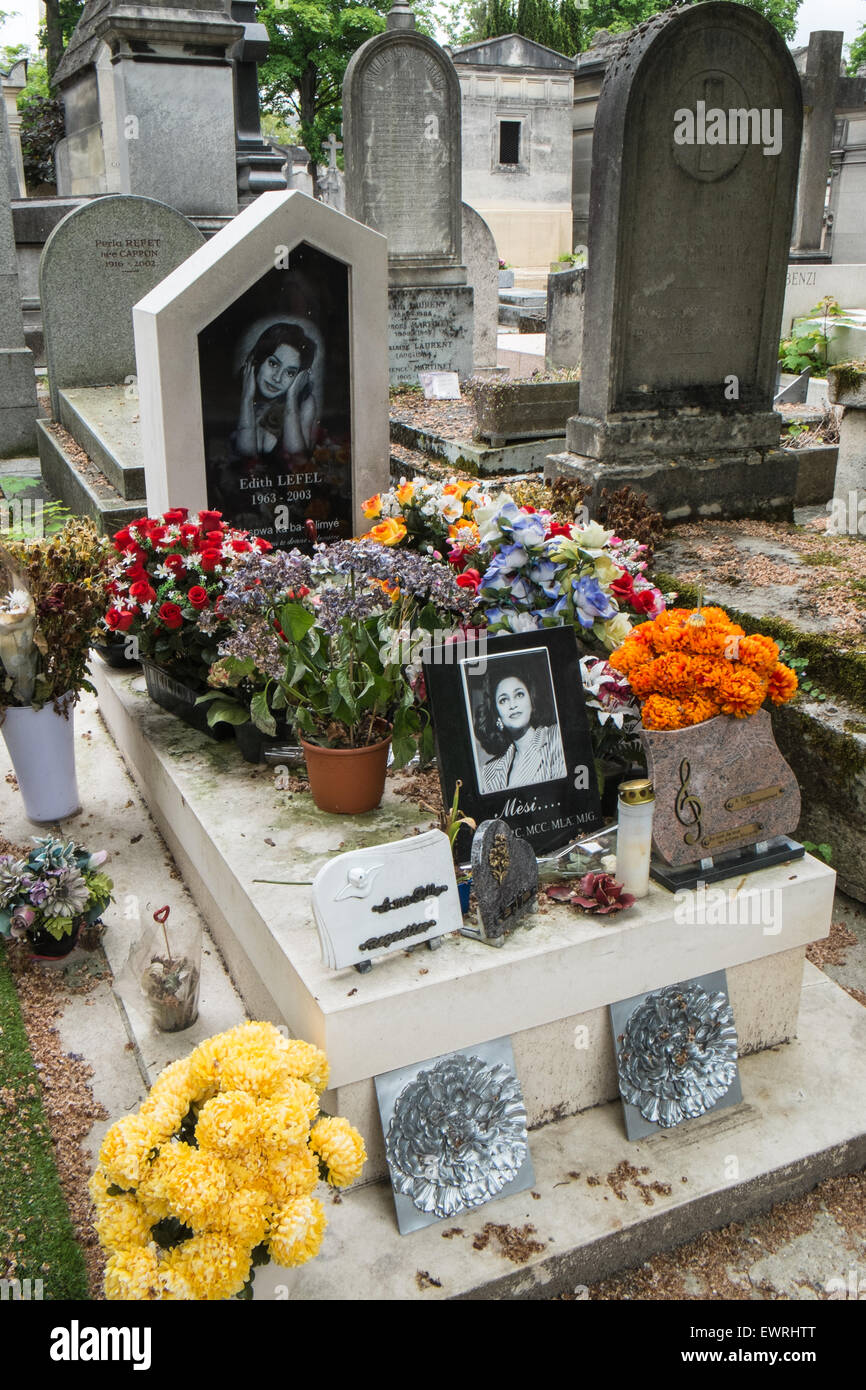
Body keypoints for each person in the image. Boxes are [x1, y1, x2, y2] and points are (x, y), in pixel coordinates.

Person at [472, 661, 567, 793]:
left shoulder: (557, 738)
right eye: (503, 700)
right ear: (497, 713)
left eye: (519, 694)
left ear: (532, 701)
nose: (512, 705)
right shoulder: (489, 772)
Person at [234, 321, 318, 460]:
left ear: (299, 377)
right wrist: (246, 399)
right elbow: (246, 458)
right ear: (258, 360)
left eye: (290, 373)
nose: (277, 378)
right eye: (273, 364)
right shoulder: (234, 392)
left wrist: (291, 398)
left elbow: (297, 458)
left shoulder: (305, 402)